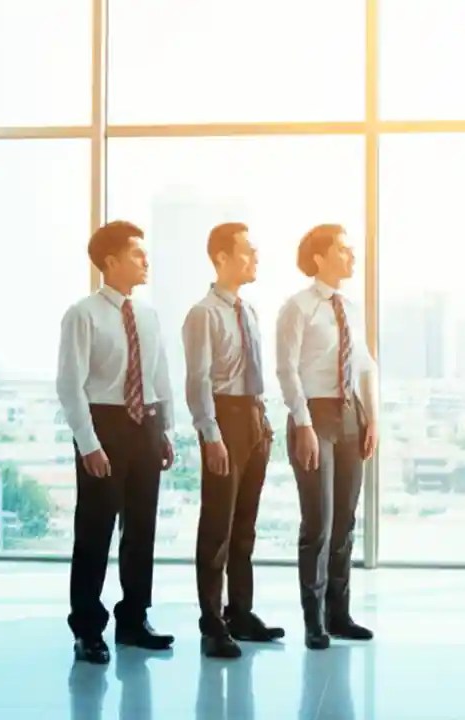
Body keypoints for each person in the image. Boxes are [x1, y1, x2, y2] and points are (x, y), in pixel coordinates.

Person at [57, 220, 176, 664]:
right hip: (104, 425)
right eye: (137, 254)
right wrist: (88, 443)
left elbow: (160, 375)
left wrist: (165, 430)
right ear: (111, 261)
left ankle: (134, 620)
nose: (146, 261)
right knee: (94, 532)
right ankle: (88, 629)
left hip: (145, 425)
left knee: (141, 528)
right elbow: (70, 384)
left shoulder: (148, 315)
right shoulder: (83, 314)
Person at [183, 222, 286, 659]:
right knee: (218, 527)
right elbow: (198, 380)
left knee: (245, 526)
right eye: (247, 251)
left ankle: (240, 613)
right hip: (224, 418)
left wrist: (262, 420)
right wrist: (211, 434)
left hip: (255, 417)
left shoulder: (249, 311)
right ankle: (212, 625)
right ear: (222, 257)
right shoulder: (203, 313)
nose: (255, 258)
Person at [276, 223, 378, 650]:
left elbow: (366, 365)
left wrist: (372, 419)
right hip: (314, 416)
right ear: (319, 258)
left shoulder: (350, 308)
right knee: (318, 522)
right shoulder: (298, 308)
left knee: (345, 522)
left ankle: (339, 614)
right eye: (343, 250)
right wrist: (303, 424)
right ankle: (314, 619)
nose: (351, 256)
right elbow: (287, 370)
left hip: (350, 414)